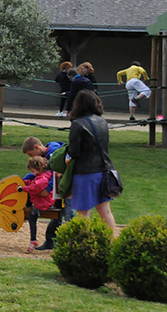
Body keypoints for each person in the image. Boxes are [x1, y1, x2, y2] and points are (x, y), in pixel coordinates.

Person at [66, 89, 117, 231]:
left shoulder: (78, 123)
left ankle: (83, 245)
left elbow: (74, 151)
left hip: (85, 172)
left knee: (83, 213)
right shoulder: (102, 121)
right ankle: (111, 242)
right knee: (105, 212)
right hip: (105, 170)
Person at [22, 135, 72, 248]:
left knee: (69, 213)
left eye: (31, 154)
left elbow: (55, 172)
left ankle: (72, 244)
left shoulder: (53, 154)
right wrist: (24, 179)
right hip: (59, 188)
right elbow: (39, 172)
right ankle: (50, 242)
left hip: (67, 186)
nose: (31, 157)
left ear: (37, 147)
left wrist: (48, 189)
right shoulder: (45, 156)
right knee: (56, 214)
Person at [21, 155, 55, 253]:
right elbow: (33, 182)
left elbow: (35, 187)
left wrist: (22, 188)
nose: (33, 173)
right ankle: (33, 240)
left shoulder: (43, 178)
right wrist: (25, 182)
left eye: (33, 171)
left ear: (40, 169)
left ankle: (33, 240)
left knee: (32, 219)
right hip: (43, 201)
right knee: (32, 218)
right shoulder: (43, 175)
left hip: (42, 203)